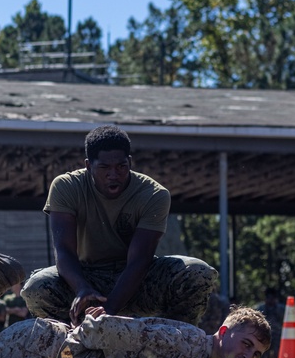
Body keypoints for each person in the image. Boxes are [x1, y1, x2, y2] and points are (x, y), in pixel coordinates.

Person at [0, 221, 270, 358]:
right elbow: (123, 330)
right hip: (43, 349)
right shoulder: (189, 345)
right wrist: (83, 334)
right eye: (247, 344)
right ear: (223, 332)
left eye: (255, 355)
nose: (247, 357)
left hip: (46, 345)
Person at [22, 125, 218, 327]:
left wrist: (109, 309)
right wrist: (82, 288)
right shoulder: (66, 186)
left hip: (138, 280)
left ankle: (173, 344)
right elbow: (64, 251)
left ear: (130, 162)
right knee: (36, 289)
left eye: (121, 166)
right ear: (89, 166)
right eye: (104, 168)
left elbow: (140, 260)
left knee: (198, 273)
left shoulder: (154, 194)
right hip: (86, 276)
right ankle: (72, 349)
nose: (113, 174)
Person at [255, 287, 285, 358]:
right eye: (269, 298)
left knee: (278, 353)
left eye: (273, 298)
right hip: (265, 334)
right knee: (263, 353)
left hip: (278, 334)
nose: (271, 300)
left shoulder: (281, 308)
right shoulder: (260, 308)